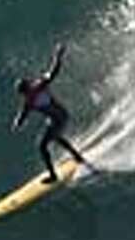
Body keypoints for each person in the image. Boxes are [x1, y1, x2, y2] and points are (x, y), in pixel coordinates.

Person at [13, 43, 91, 183]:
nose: (25, 94)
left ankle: (54, 175)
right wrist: (18, 121)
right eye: (23, 92)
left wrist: (57, 56)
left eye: (25, 90)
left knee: (42, 145)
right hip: (55, 120)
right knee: (54, 137)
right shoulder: (28, 101)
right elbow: (23, 112)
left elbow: (53, 72)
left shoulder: (40, 85)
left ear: (28, 86)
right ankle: (77, 157)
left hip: (60, 117)